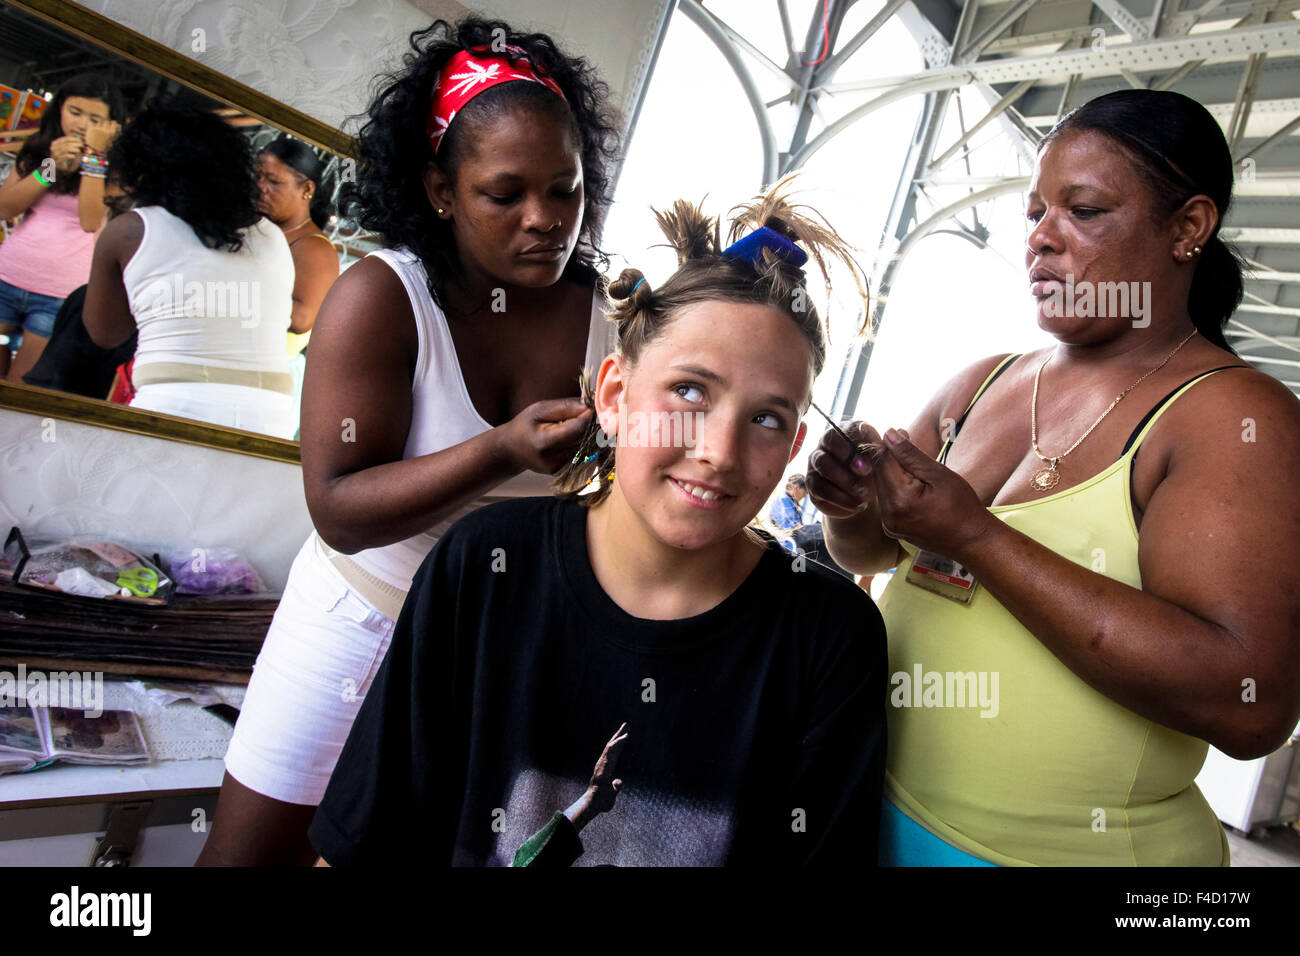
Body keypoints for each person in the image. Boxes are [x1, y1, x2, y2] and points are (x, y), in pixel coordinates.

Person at [309, 186, 888, 867]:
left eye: (767, 418)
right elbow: (367, 842)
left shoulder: (830, 638)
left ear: (793, 447)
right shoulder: (488, 564)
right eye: (691, 391)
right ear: (614, 396)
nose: (718, 452)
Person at [807, 89, 1300, 866]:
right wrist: (852, 509)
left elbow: (1250, 704)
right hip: (873, 814)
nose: (1041, 238)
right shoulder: (983, 381)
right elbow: (877, 555)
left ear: (1190, 228)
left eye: (1084, 211)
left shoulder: (1235, 417)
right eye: (1035, 212)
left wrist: (975, 534)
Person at [196, 17, 621, 866]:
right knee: (249, 857)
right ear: (440, 188)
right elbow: (341, 510)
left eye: (565, 189)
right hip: (357, 619)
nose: (546, 221)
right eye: (506, 194)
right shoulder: (381, 300)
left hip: (478, 654)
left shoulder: (603, 320)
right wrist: (500, 450)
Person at [82, 98, 296, 437]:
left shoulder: (130, 230)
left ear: (142, 168)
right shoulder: (272, 236)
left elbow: (106, 334)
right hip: (273, 419)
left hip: (170, 407)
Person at [0, 73, 123, 381]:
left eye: (95, 118)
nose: (82, 124)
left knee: (21, 389)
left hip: (58, 293)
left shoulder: (116, 170)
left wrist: (95, 159)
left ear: (111, 126)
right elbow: (6, 208)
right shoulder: (38, 149)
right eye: (75, 112)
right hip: (5, 276)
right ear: (59, 110)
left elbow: (90, 221)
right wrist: (50, 168)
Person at [255, 136, 339, 354]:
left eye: (273, 182)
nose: (260, 187)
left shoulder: (314, 247)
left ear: (307, 189)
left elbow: (302, 318)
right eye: (258, 177)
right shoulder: (257, 226)